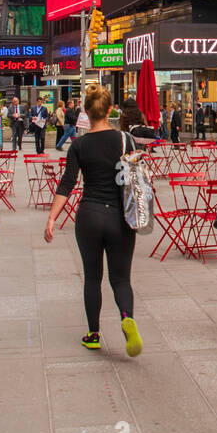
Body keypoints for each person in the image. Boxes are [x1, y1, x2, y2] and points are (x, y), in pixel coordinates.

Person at [44, 84, 143, 357]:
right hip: (119, 216)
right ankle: (126, 317)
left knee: (92, 277)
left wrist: (52, 218)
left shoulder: (79, 144)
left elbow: (67, 183)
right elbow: (136, 177)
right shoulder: (125, 140)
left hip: (88, 214)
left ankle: (93, 333)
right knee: (121, 278)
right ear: (110, 110)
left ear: (86, 111)